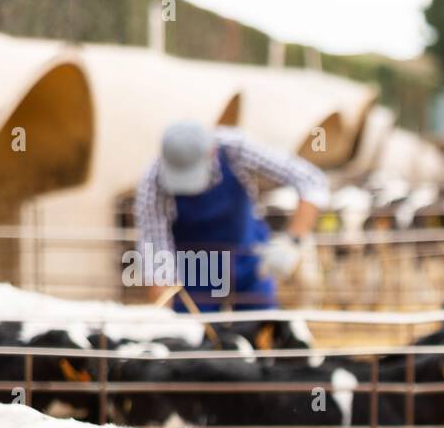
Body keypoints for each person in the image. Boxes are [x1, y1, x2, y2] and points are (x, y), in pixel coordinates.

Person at [134, 121, 329, 312]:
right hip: (195, 272)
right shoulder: (154, 181)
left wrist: (293, 240)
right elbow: (157, 254)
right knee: (195, 336)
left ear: (211, 153)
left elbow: (310, 180)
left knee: (261, 326)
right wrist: (164, 320)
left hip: (249, 261)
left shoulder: (234, 149)